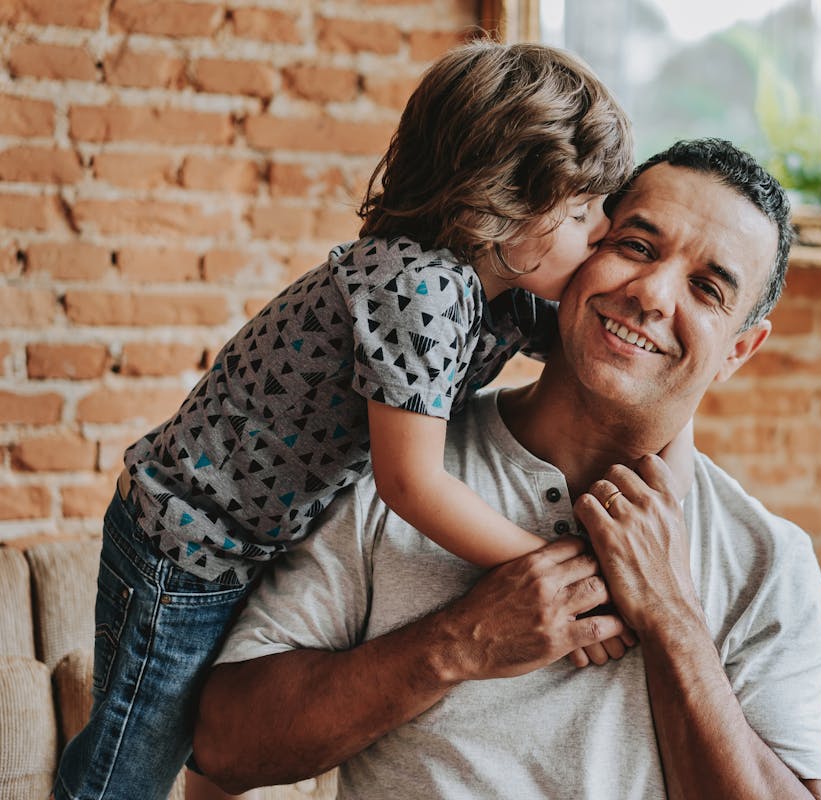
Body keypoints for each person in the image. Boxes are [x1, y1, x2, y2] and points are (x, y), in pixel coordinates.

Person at [55, 41, 636, 800]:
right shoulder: (421, 287)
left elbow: (588, 337)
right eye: (583, 209)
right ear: (496, 203)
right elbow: (411, 482)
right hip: (186, 543)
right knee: (126, 772)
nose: (598, 232)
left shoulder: (495, 291)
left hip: (259, 538)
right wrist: (546, 568)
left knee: (217, 759)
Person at [193, 139, 821, 800]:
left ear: (740, 348)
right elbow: (222, 747)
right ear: (583, 245)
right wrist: (457, 644)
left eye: (706, 288)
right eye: (636, 246)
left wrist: (672, 616)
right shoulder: (396, 460)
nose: (652, 294)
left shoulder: (769, 562)